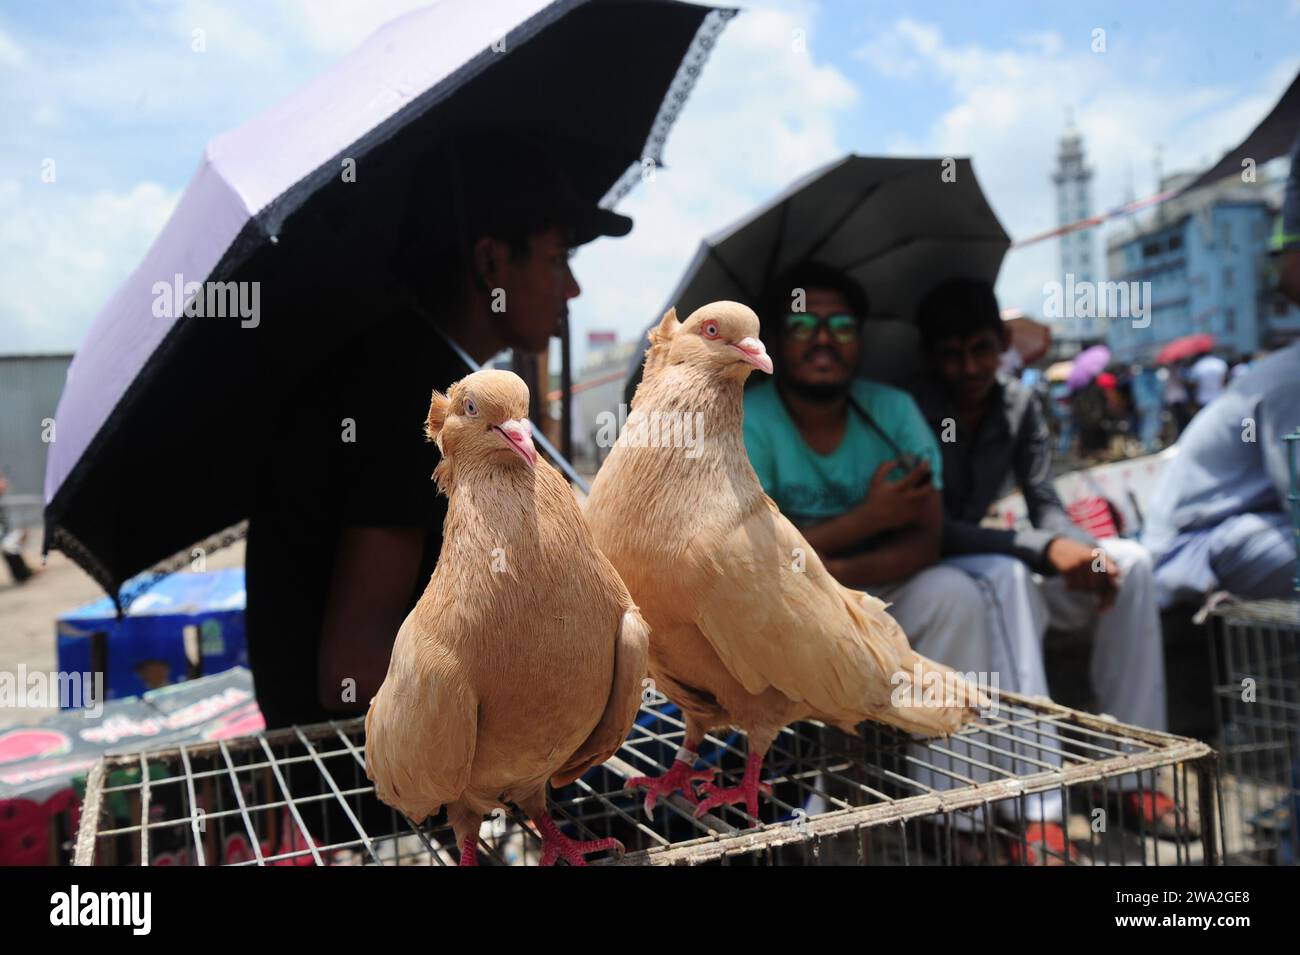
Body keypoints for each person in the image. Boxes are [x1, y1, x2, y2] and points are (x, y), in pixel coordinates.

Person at [244, 129, 632, 730]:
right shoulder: (411, 398)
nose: (573, 288)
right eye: (558, 259)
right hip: (373, 786)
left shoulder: (420, 366)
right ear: (491, 262)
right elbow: (349, 670)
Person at [909, 278, 1174, 841]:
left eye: (981, 349)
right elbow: (932, 531)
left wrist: (1085, 553)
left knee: (1131, 563)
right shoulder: (910, 408)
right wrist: (1046, 548)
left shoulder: (1020, 402)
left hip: (992, 554)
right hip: (935, 564)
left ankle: (1132, 773)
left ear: (1002, 342)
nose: (970, 368)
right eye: (952, 356)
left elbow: (1045, 504)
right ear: (933, 357)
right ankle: (1037, 810)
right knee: (1005, 575)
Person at [1142, 338, 1300, 609]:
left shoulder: (1188, 371)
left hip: (1197, 407)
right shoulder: (1288, 379)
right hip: (1194, 543)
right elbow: (1294, 493)